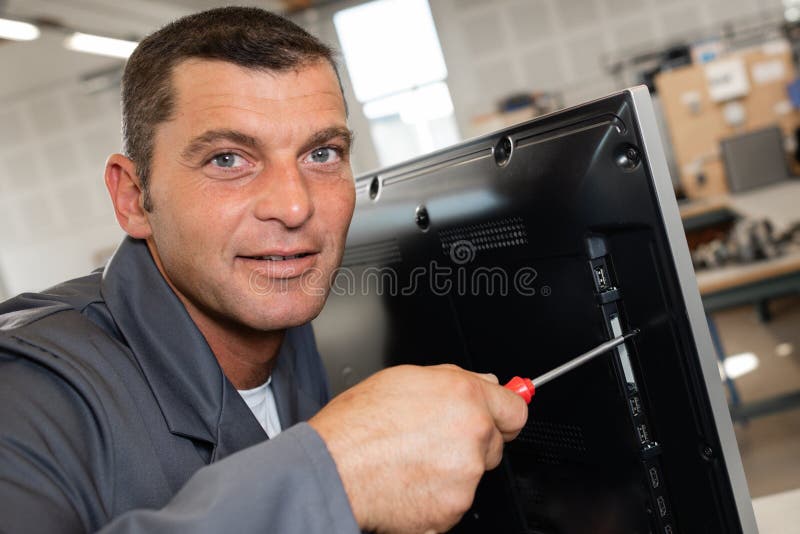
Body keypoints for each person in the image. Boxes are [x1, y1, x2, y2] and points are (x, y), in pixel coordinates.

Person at [0, 7, 527, 533]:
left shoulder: (285, 329)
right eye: (228, 160)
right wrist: (335, 478)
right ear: (135, 198)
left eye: (322, 153)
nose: (295, 207)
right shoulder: (26, 398)